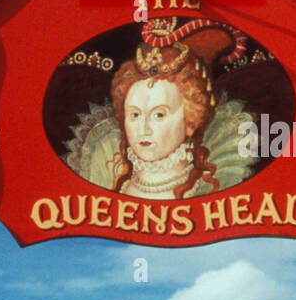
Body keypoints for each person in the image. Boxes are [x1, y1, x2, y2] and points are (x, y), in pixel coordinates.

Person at [63, 20, 254, 199]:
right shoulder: (101, 170)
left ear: (190, 119)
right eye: (135, 114)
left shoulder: (217, 181)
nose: (143, 129)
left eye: (159, 114)